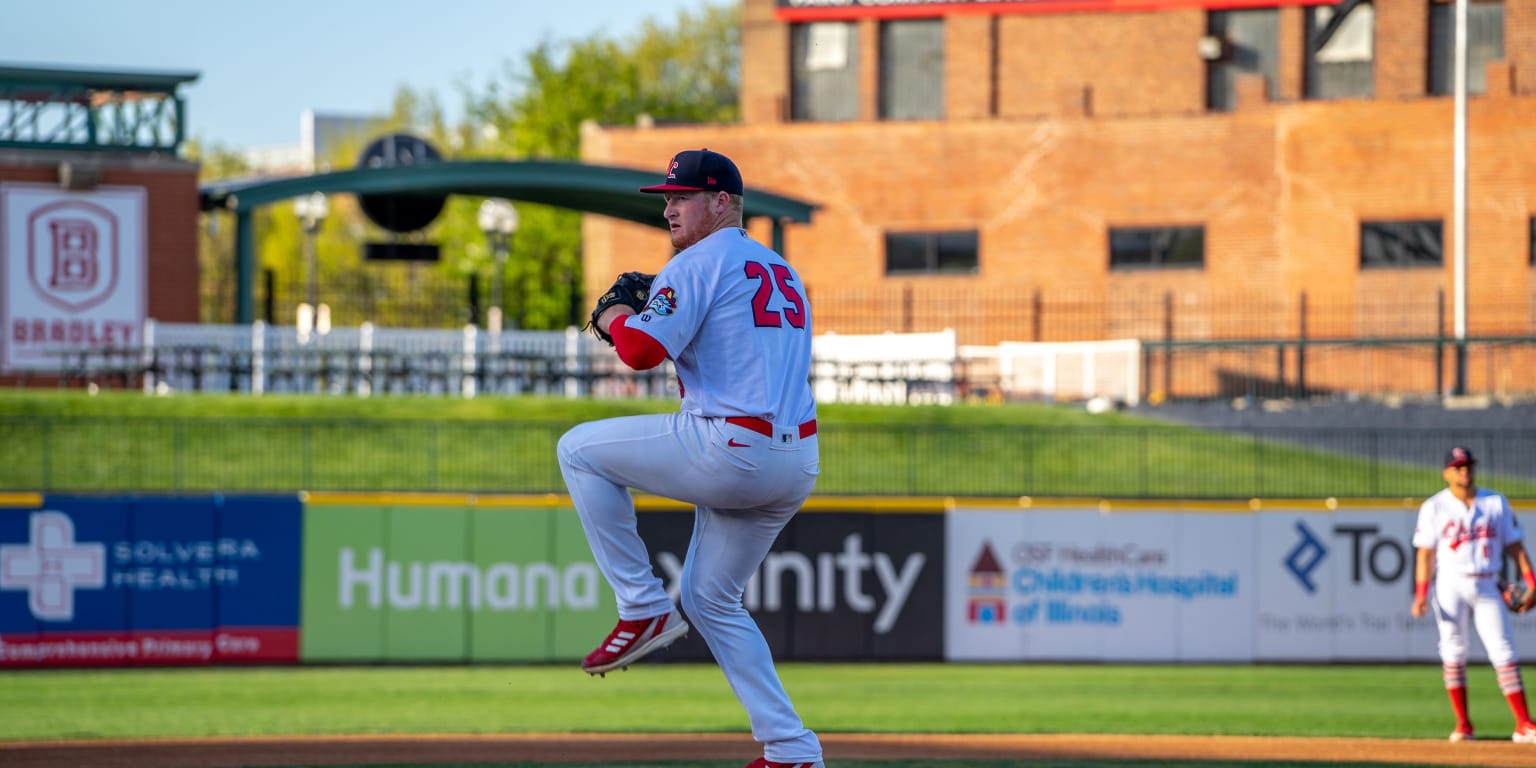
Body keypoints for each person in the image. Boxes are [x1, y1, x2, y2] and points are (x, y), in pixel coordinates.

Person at [556, 148, 825, 768]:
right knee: (709, 599)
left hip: (732, 448)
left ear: (723, 202)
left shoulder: (697, 261)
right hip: (796, 460)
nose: (670, 207)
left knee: (578, 451)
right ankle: (791, 748)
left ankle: (642, 607)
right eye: (667, 198)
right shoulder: (780, 268)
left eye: (683, 196)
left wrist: (618, 314)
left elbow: (640, 354)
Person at [1411, 446, 1536, 743]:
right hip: (1450, 584)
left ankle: (1523, 724)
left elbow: (1515, 547)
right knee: (1453, 651)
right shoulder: (1435, 506)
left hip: (1487, 582)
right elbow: (1425, 555)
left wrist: (1532, 581)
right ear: (1446, 473)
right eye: (1457, 466)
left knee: (1503, 650)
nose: (1463, 471)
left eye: (1467, 465)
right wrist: (1421, 593)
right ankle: (1463, 724)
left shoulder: (1495, 502)